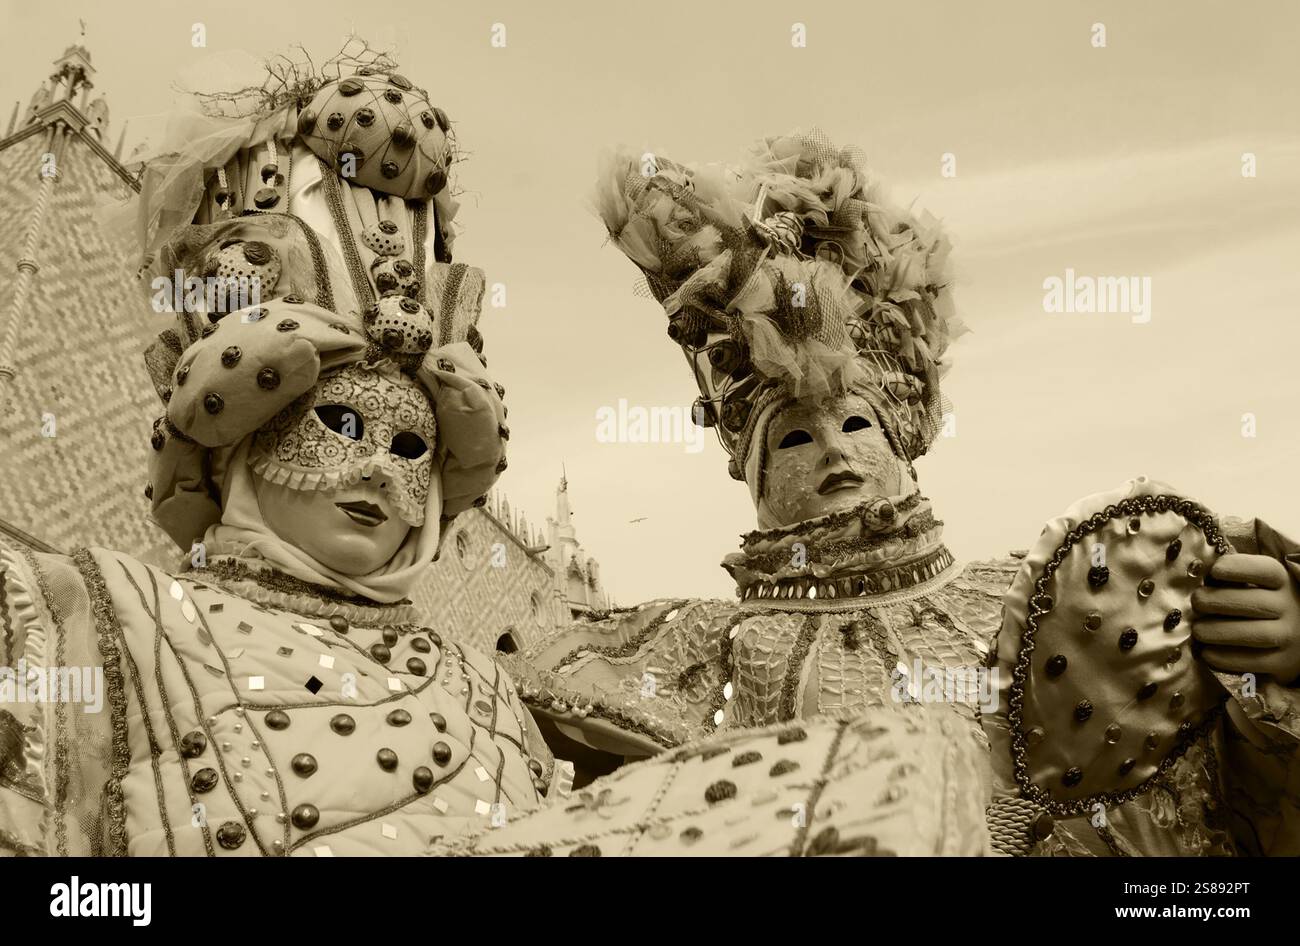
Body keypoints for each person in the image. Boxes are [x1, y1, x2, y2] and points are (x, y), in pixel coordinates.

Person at [0, 62, 987, 858]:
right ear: (243, 431)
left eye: (410, 442)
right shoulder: (88, 613)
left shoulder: (479, 695)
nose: (383, 469)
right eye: (341, 423)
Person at [504, 131, 1300, 855]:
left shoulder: (1029, 601)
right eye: (792, 437)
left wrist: (1281, 659)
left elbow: (1205, 804)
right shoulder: (701, 657)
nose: (833, 451)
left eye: (856, 423)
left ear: (905, 441)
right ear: (749, 473)